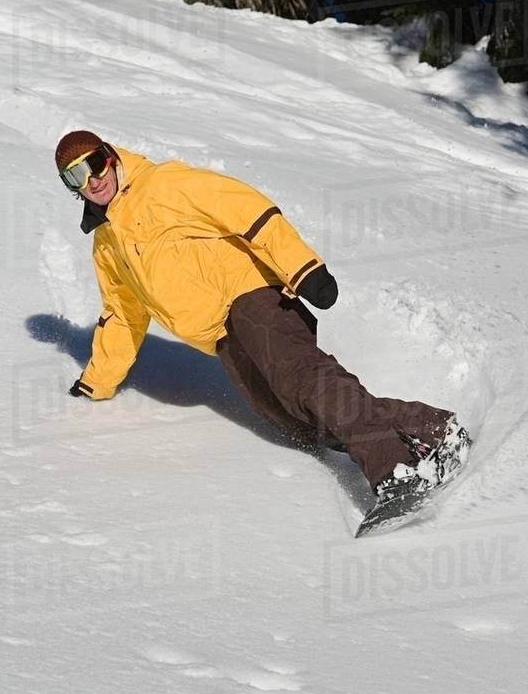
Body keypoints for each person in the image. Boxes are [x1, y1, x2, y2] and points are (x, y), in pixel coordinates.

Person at [54, 129, 468, 506]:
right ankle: (430, 428)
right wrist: (96, 382)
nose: (92, 181)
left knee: (303, 380)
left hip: (252, 297)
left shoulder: (163, 185)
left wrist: (303, 268)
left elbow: (247, 209)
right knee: (296, 422)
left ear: (110, 156)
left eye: (94, 165)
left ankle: (394, 470)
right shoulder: (106, 245)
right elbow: (122, 315)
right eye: (76, 177)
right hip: (221, 337)